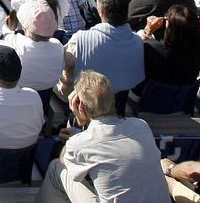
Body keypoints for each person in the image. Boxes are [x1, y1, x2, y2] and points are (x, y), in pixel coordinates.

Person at [38, 69, 171, 203]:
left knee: (56, 168)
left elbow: (65, 162)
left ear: (80, 105)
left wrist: (79, 124)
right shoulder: (141, 126)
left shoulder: (80, 143)